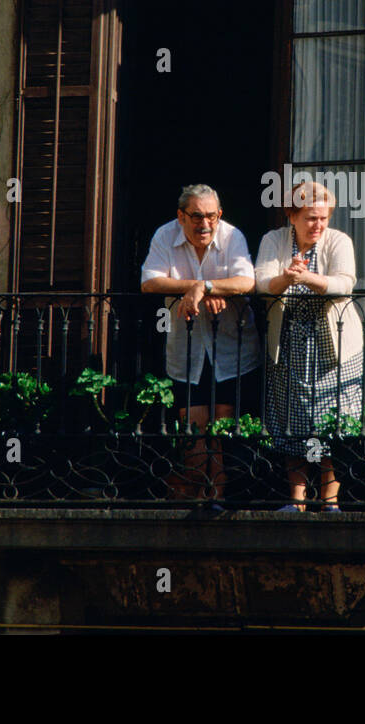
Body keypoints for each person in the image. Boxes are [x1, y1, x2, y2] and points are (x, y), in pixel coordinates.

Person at [140, 184, 261, 507]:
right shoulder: (165, 236)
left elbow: (247, 281)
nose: (204, 224)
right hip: (187, 348)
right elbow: (149, 281)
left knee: (220, 427)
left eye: (211, 216)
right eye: (196, 216)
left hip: (231, 348)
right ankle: (193, 498)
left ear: (219, 215)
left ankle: (216, 497)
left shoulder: (231, 236)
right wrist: (196, 287)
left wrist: (205, 286)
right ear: (181, 217)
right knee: (193, 426)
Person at [254, 180, 363, 511]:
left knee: (332, 422)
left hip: (335, 345)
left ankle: (330, 501)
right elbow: (261, 283)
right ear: (292, 215)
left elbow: (345, 284)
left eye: (323, 218)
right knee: (291, 421)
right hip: (289, 344)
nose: (318, 225)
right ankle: (297, 500)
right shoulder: (274, 240)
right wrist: (287, 278)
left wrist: (307, 278)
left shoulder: (338, 241)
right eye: (311, 218)